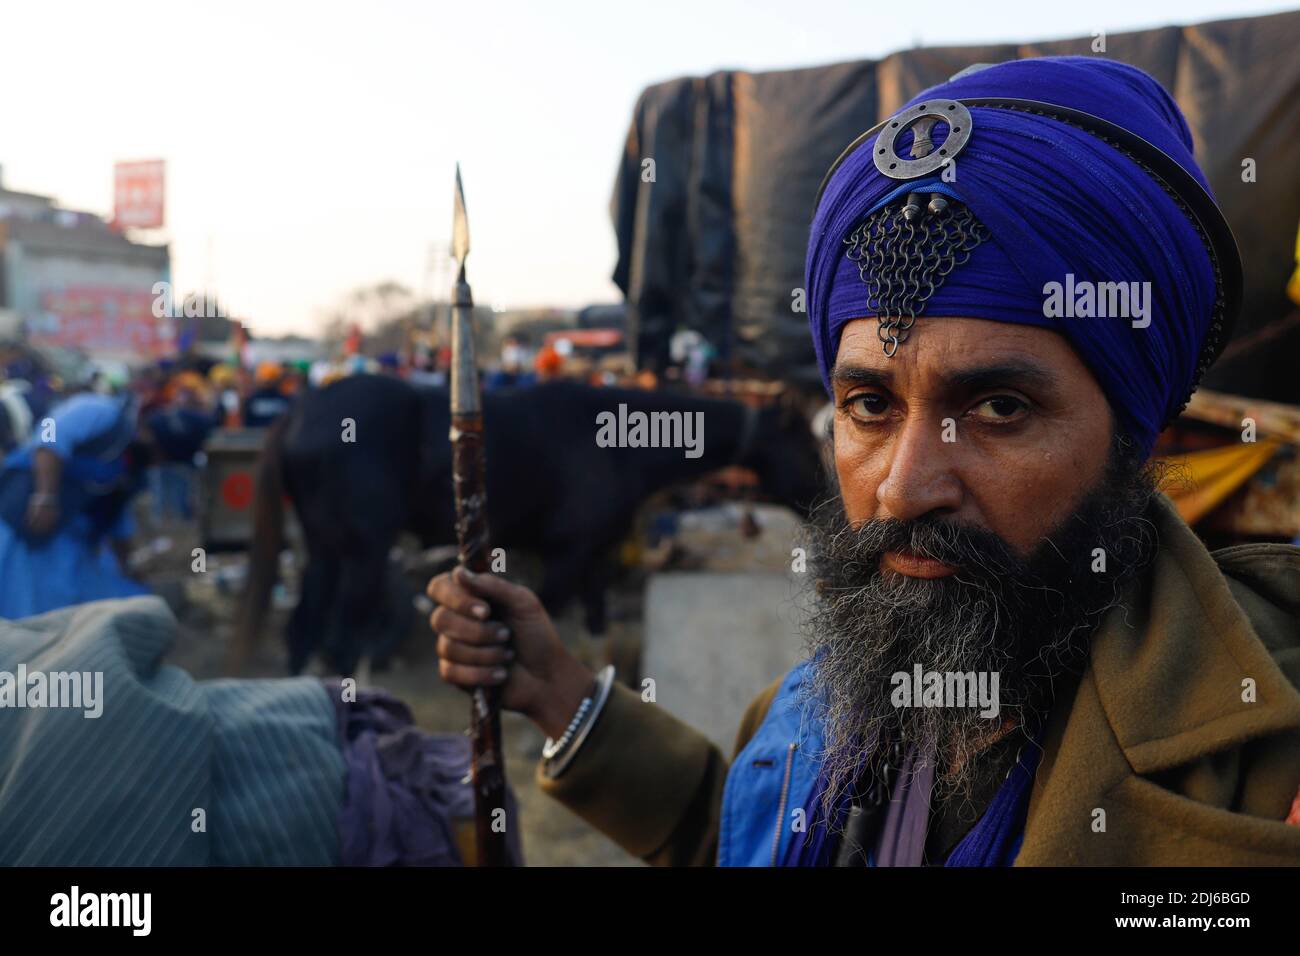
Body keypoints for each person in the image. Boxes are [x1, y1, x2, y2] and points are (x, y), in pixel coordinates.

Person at [428, 57, 1300, 866]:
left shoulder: (1263, 761)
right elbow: (744, 839)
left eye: (998, 409)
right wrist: (564, 697)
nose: (902, 486)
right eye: (871, 407)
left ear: (1135, 434)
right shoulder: (817, 708)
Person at [0, 390, 150, 619]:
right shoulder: (98, 411)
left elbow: (118, 520)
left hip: (67, 544)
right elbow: (49, 436)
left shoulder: (129, 467)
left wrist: (127, 565)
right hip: (20, 524)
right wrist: (45, 497)